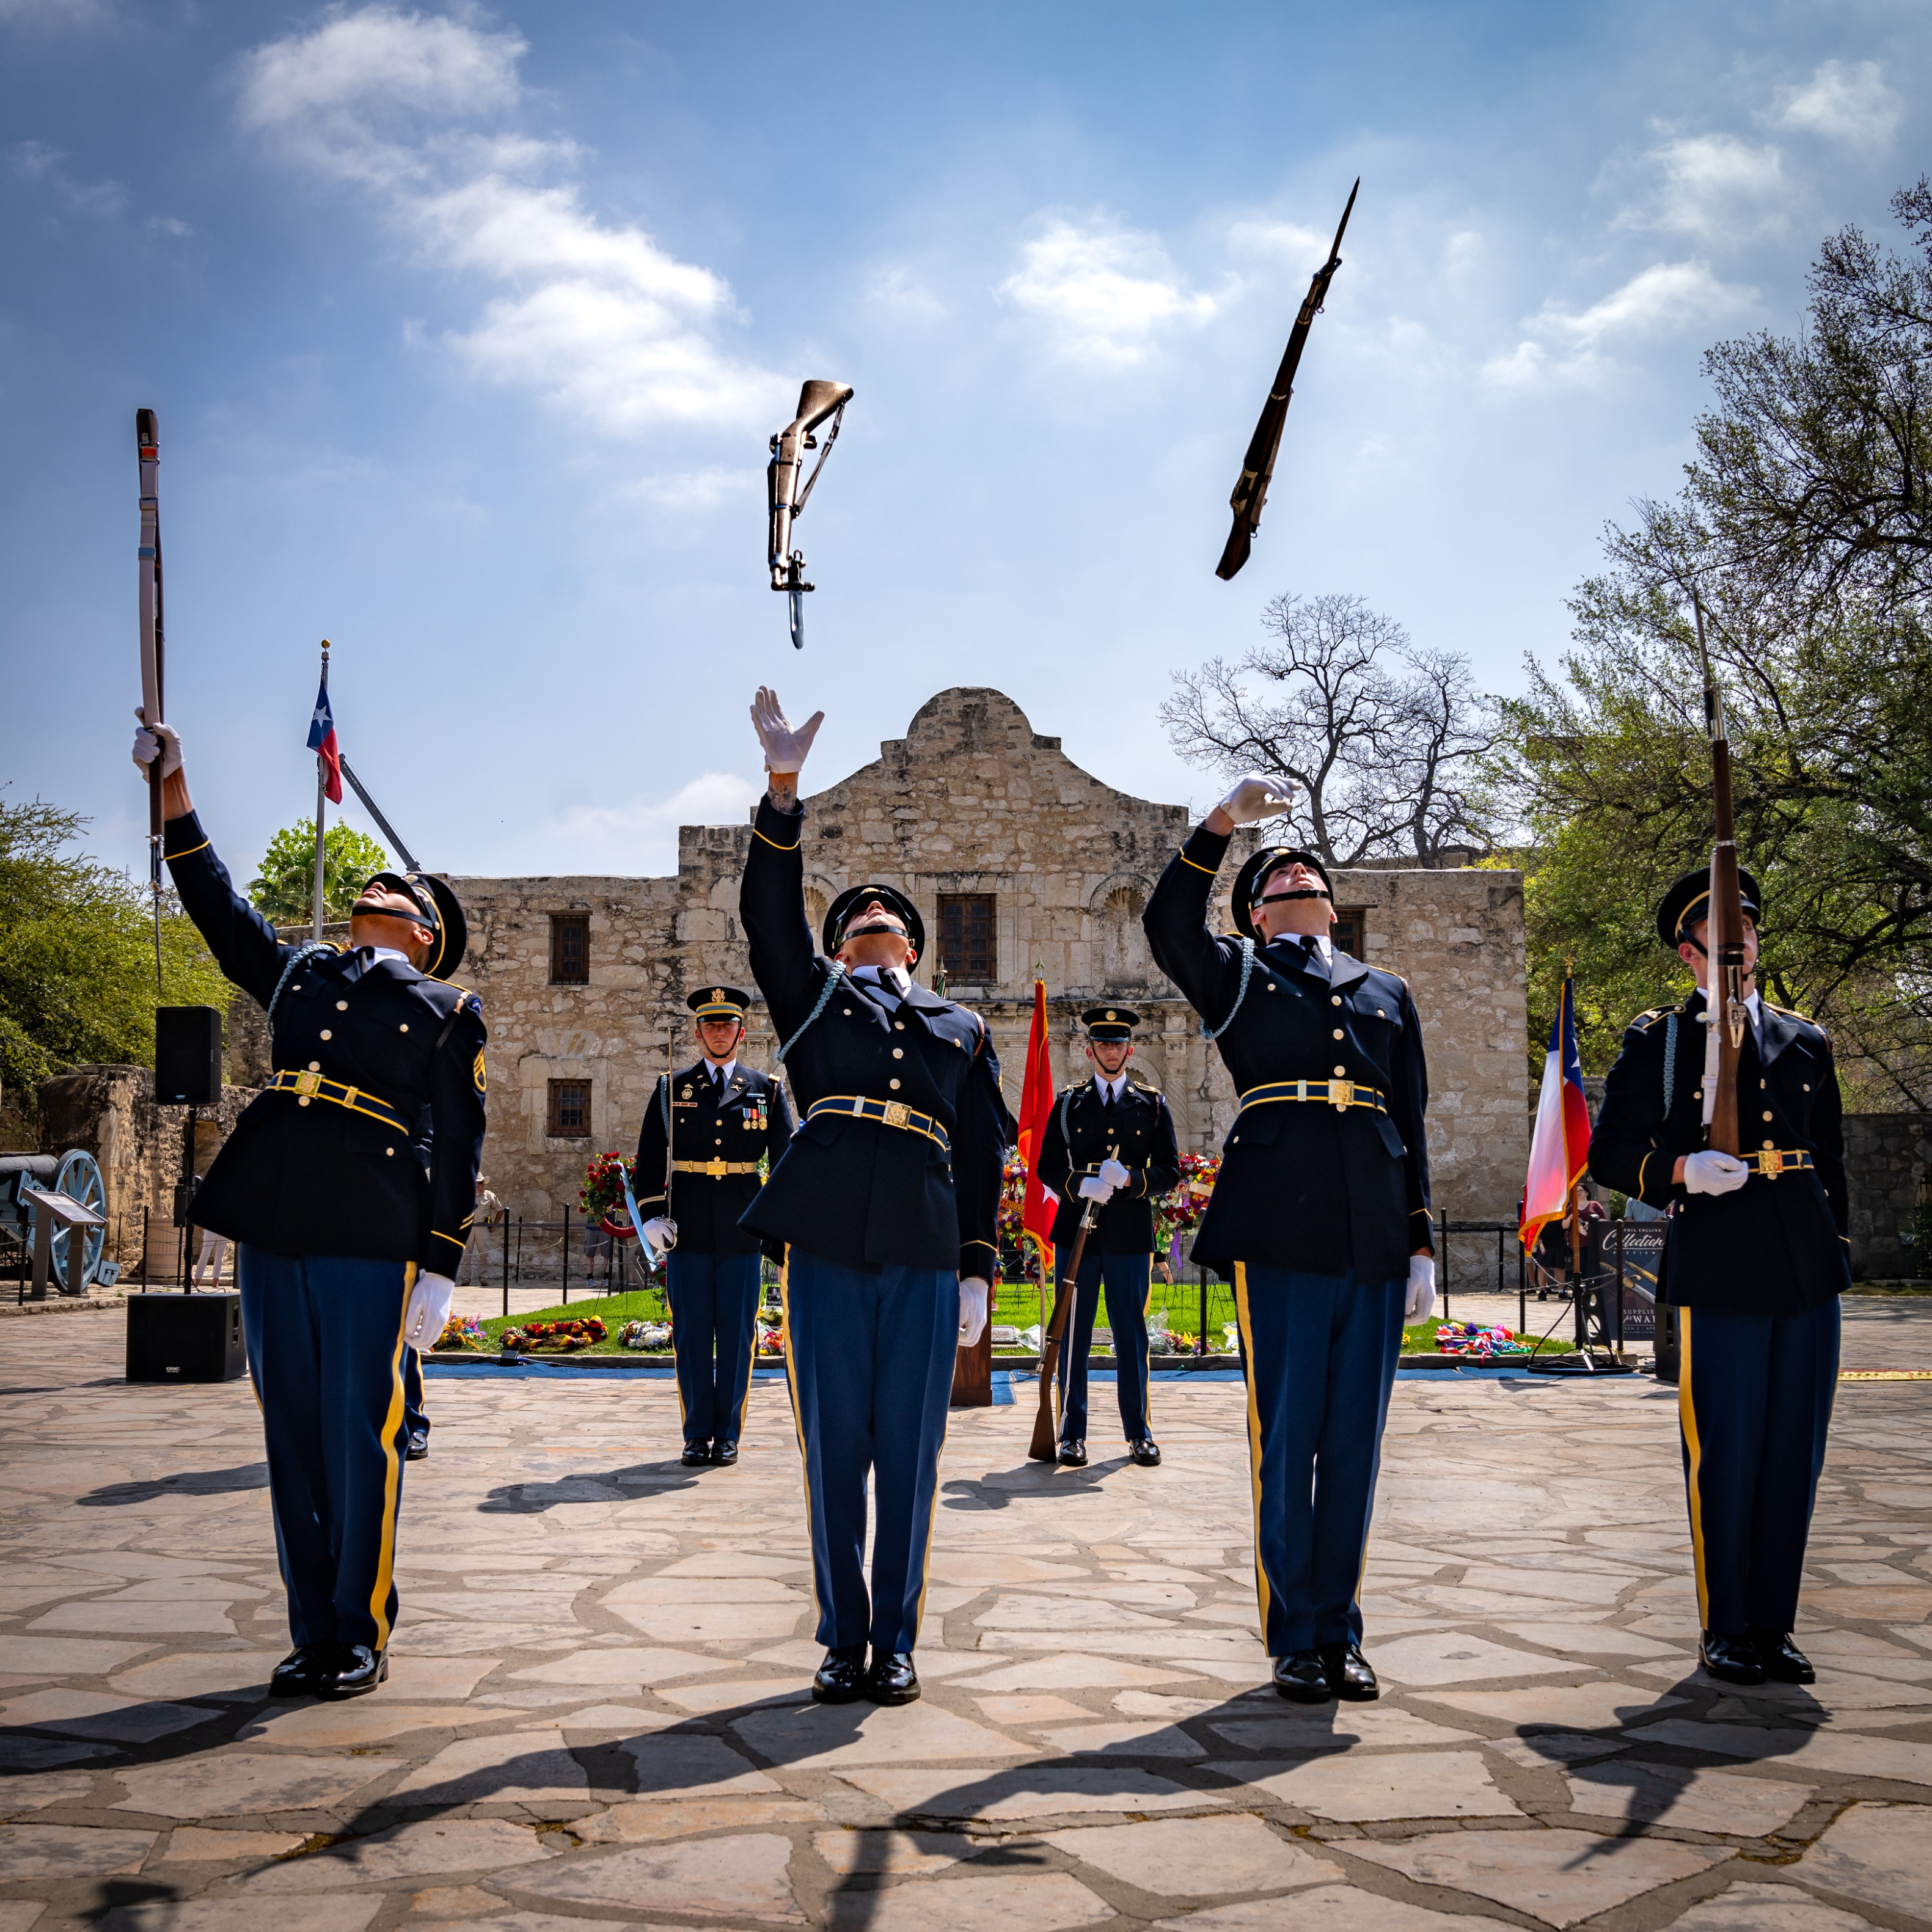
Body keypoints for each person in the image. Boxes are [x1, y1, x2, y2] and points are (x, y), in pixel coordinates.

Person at [131, 714, 485, 1702]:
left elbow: (460, 1142)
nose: (380, 889)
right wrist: (177, 785)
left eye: (404, 893)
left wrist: (445, 1265)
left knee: (357, 1429)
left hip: (372, 1228)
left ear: (427, 936)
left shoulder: (446, 1013)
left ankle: (359, 1627)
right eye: (378, 883)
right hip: (278, 1214)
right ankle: (309, 1628)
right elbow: (214, 902)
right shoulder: (301, 970)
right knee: (288, 1426)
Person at [739, 687, 1010, 1708]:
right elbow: (767, 918)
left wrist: (979, 1263)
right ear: (840, 943)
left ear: (915, 946)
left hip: (926, 1246)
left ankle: (893, 1638)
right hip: (825, 1241)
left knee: (910, 1452)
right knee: (832, 1451)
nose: (872, 924)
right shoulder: (814, 1000)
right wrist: (780, 795)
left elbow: (984, 1150)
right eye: (854, 917)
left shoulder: (959, 1028)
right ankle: (841, 1635)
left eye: (888, 919)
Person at [1143, 776, 1433, 1705]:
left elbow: (1413, 1118)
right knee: (1289, 1435)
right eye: (1278, 877)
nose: (1299, 874)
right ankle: (1294, 1636)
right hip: (1280, 1223)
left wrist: (1421, 1239)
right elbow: (1166, 925)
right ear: (1257, 914)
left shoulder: (1385, 989)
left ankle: (1341, 1630)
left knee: (1355, 1441)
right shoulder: (1237, 976)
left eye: (1309, 872)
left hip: (1374, 1230)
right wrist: (1222, 825)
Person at [1589, 866, 1848, 1687]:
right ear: (1687, 951)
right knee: (1727, 1450)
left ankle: (1773, 1622)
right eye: (1719, 932)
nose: (1738, 943)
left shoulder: (1803, 1038)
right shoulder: (1662, 1040)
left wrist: (1834, 1242)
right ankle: (1725, 1623)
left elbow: (1831, 1157)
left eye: (1747, 928)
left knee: (1791, 1454)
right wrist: (1678, 1171)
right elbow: (1608, 1153)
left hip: (1803, 1260)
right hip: (1721, 1258)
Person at [632, 987, 794, 1468]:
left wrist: (778, 1227)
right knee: (692, 1336)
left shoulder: (765, 1087)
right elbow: (648, 1158)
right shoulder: (671, 1088)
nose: (719, 1033)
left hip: (743, 1231)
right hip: (688, 1231)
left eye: (727, 1025)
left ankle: (728, 1435)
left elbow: (785, 1161)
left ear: (742, 1032)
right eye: (710, 1025)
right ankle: (695, 1434)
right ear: (697, 1032)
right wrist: (652, 1216)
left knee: (738, 1335)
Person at [1036, 1006, 1180, 1468]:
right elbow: (1047, 1167)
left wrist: (1131, 1180)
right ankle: (1071, 1434)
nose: (1112, 1051)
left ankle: (1138, 1433)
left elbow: (1170, 1171)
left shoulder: (1152, 1104)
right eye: (1103, 1044)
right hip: (1078, 1236)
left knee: (1131, 1337)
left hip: (1130, 1236)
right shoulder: (1068, 1103)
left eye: (1119, 1044)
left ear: (1130, 1050)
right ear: (1090, 1050)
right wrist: (1081, 1184)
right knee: (1074, 1336)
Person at [458, 1176, 505, 1286]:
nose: (478, 1185)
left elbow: (500, 1210)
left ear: (484, 1184)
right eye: (476, 1183)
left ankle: (484, 1278)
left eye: (480, 1183)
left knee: (484, 1254)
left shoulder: (489, 1195)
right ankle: (465, 1279)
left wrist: (494, 1225)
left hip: (483, 1227)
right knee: (466, 1254)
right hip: (468, 1227)